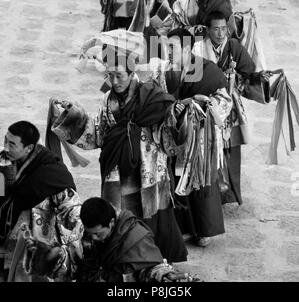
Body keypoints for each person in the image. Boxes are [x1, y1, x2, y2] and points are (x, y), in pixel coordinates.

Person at [48, 37, 188, 264]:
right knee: (119, 219)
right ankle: (124, 260)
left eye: (119, 76)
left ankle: (155, 262)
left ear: (132, 73)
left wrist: (179, 116)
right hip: (116, 173)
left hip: (148, 170)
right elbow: (98, 133)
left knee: (151, 217)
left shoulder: (150, 95)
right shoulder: (107, 99)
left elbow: (168, 132)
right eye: (110, 75)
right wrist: (71, 114)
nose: (114, 81)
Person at [151, 28, 232, 246]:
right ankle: (182, 226)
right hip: (174, 133)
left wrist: (203, 104)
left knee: (200, 182)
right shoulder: (163, 70)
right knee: (174, 178)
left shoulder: (206, 69)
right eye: (166, 46)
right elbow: (158, 99)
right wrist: (176, 108)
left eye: (172, 47)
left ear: (187, 48)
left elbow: (225, 101)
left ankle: (204, 229)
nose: (167, 51)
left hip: (200, 136)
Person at [199, 11, 271, 205]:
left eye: (224, 29)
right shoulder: (198, 48)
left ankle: (230, 192)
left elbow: (248, 72)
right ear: (208, 30)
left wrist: (257, 77)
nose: (221, 33)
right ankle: (211, 195)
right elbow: (192, 77)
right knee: (207, 148)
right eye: (216, 29)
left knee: (231, 149)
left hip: (229, 107)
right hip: (206, 105)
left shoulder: (233, 47)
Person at [0, 121, 83, 282]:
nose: (6, 148)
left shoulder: (51, 173)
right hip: (4, 244)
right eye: (5, 141)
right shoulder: (3, 163)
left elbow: (72, 210)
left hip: (33, 249)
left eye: (12, 144)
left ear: (29, 148)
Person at [75, 198, 194, 282]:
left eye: (97, 234)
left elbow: (148, 266)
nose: (93, 238)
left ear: (111, 222)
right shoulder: (90, 231)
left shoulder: (136, 236)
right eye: (90, 233)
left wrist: (164, 275)